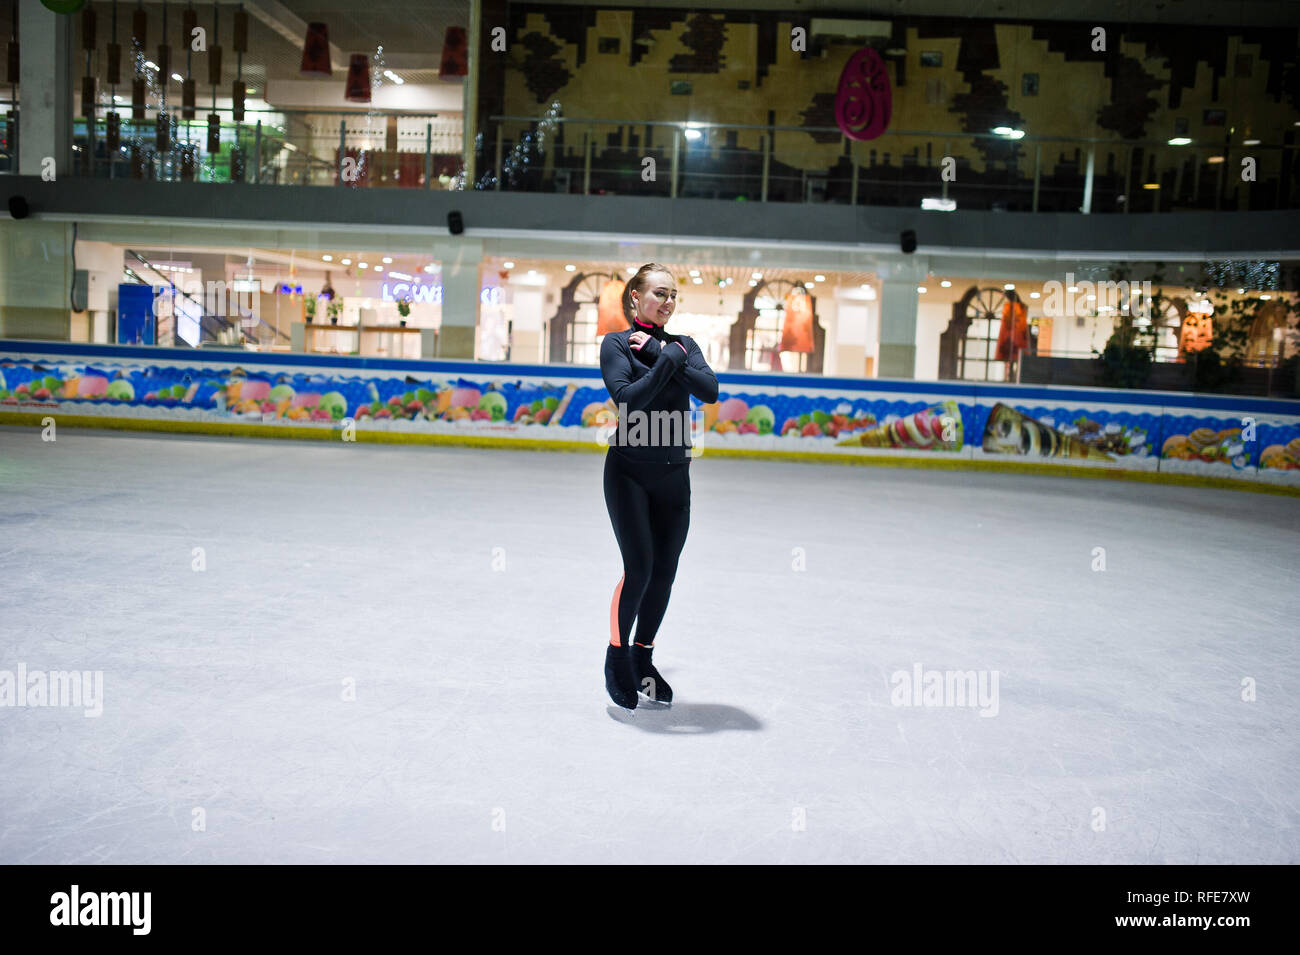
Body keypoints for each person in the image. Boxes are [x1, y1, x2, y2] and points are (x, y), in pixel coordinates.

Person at [599, 263, 718, 710]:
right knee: (640, 569)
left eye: (673, 295)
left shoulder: (686, 344)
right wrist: (666, 358)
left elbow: (709, 389)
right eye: (659, 294)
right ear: (635, 297)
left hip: (674, 478)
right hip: (629, 473)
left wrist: (668, 352)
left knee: (664, 573)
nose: (668, 302)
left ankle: (642, 658)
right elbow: (628, 400)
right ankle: (616, 658)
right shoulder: (615, 344)